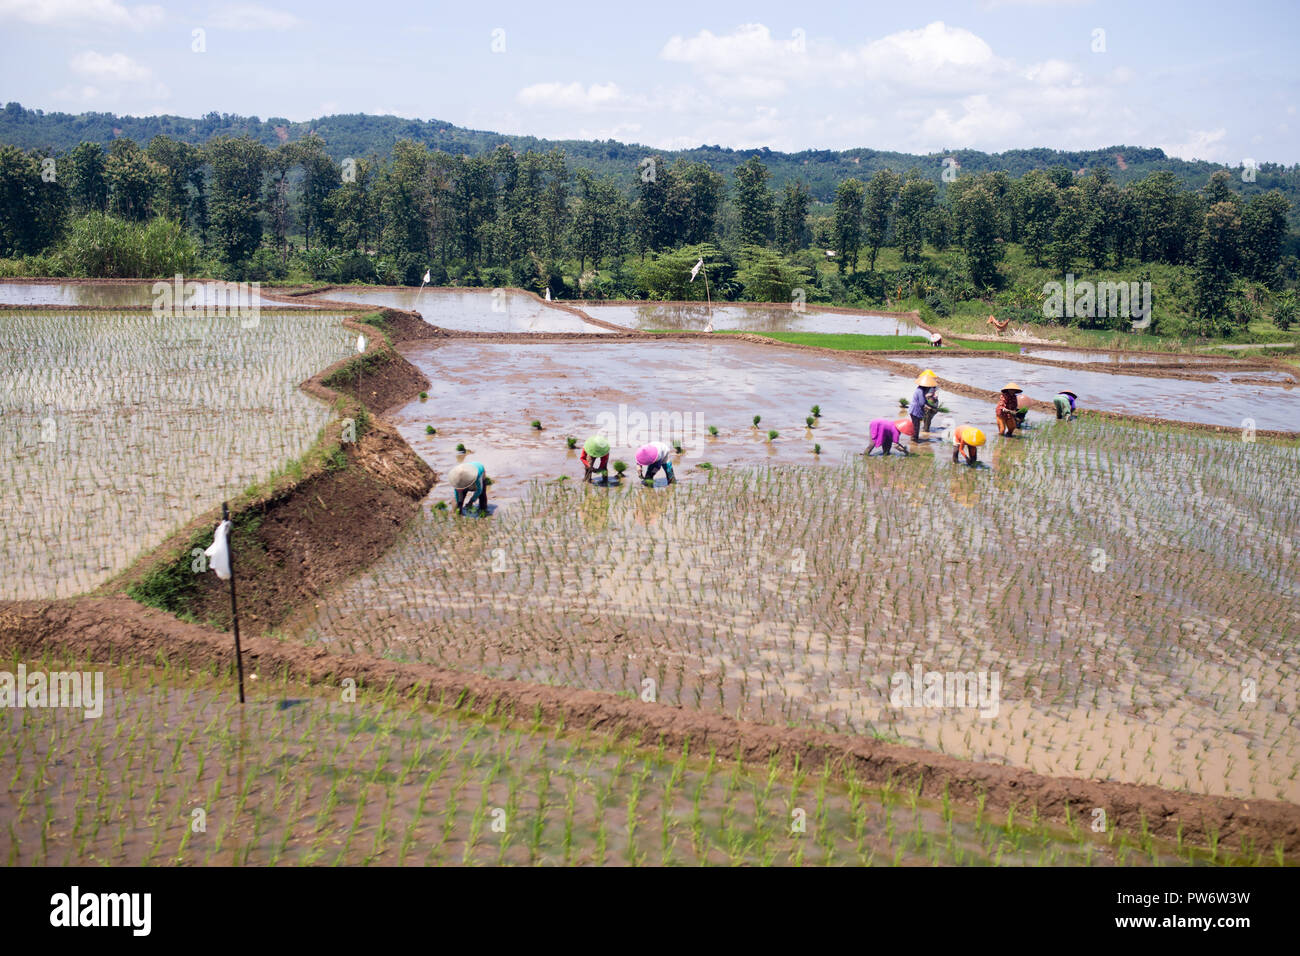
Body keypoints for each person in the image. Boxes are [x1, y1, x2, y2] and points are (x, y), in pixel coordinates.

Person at [909, 370, 938, 442]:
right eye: (928, 387)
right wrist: (930, 407)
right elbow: (922, 403)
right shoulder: (921, 391)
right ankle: (914, 440)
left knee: (915, 425)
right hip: (915, 410)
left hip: (913, 410)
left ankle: (914, 438)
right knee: (916, 426)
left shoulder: (919, 389)